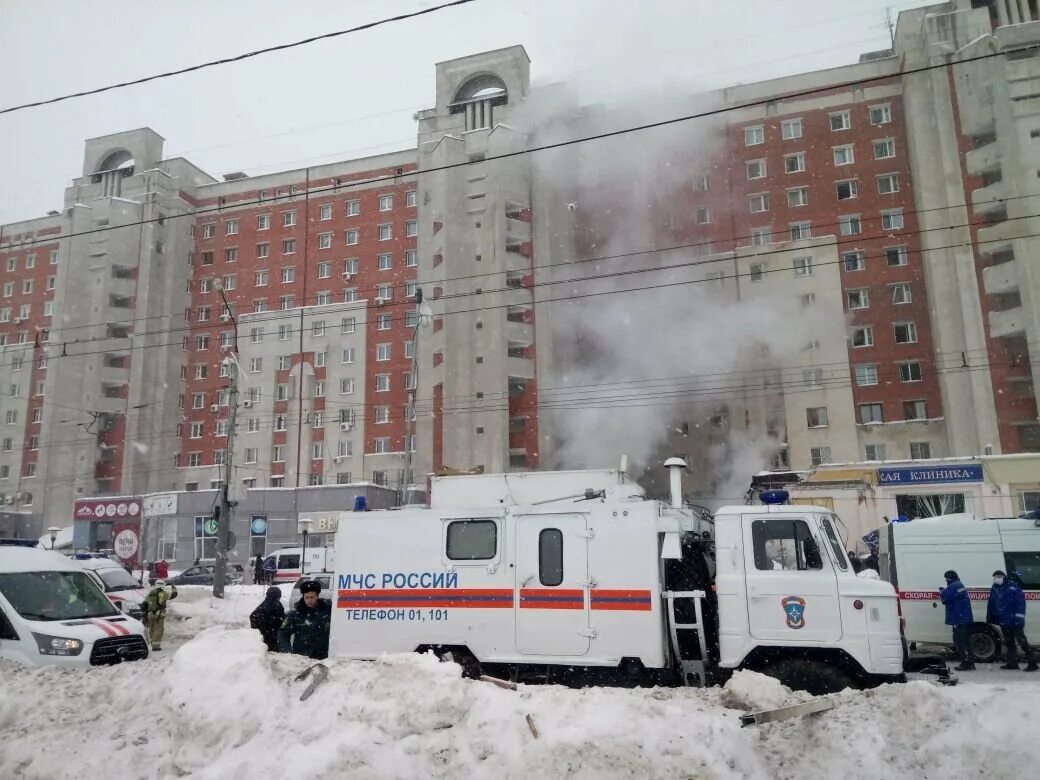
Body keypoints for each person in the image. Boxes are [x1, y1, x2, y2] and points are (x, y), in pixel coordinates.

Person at [277, 579, 331, 659]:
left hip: (323, 657)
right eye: (307, 597)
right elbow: (283, 633)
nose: (309, 600)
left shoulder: (327, 609)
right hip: (302, 657)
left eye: (312, 597)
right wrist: (287, 652)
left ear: (317, 596)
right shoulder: (296, 614)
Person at [1000, 572, 1038, 671]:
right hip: (1007, 621)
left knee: (1022, 642)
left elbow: (1020, 605)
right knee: (1010, 643)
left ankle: (1032, 663)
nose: (996, 579)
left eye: (998, 577)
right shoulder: (1004, 588)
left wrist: (1018, 619)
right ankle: (1012, 663)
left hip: (1015, 621)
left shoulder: (1014, 588)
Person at [939, 569, 975, 671]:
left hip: (959, 619)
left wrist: (942, 591)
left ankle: (966, 663)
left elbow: (945, 597)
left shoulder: (955, 586)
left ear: (950, 578)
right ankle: (970, 662)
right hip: (963, 618)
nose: (946, 580)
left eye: (947, 578)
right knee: (965, 641)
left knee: (960, 642)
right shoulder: (959, 585)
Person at [143, 580, 178, 652]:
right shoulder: (163, 594)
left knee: (151, 630)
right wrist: (173, 587)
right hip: (159, 615)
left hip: (150, 615)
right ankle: (155, 647)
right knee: (158, 630)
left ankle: (152, 644)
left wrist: (145, 615)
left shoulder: (150, 593)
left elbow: (144, 604)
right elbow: (174, 595)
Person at [249, 586, 286, 652]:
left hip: (263, 639)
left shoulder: (262, 605)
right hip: (273, 638)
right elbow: (283, 620)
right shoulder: (277, 605)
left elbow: (253, 617)